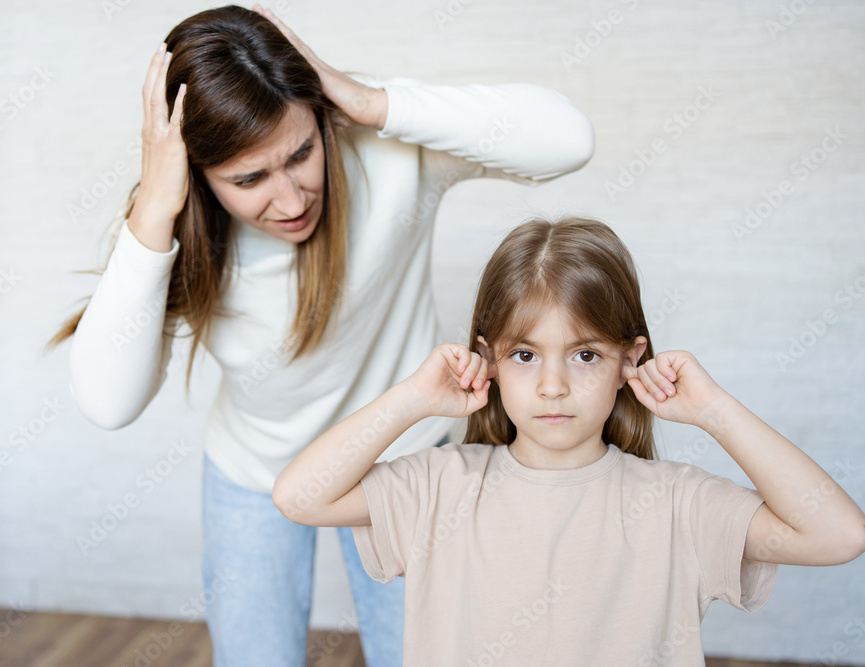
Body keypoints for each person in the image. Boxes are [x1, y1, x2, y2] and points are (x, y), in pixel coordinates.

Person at [45, 4, 595, 666]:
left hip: (405, 462)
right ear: (197, 174)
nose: (291, 198)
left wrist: (373, 101)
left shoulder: (386, 153)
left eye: (301, 153)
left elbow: (568, 139)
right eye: (249, 179)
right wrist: (154, 207)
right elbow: (108, 401)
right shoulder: (180, 226)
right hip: (253, 472)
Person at [273, 216, 865, 665]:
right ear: (490, 360)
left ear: (629, 361)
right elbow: (299, 496)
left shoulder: (675, 504)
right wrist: (412, 398)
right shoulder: (440, 484)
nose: (554, 386)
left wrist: (715, 410)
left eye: (586, 355)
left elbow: (839, 534)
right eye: (526, 355)